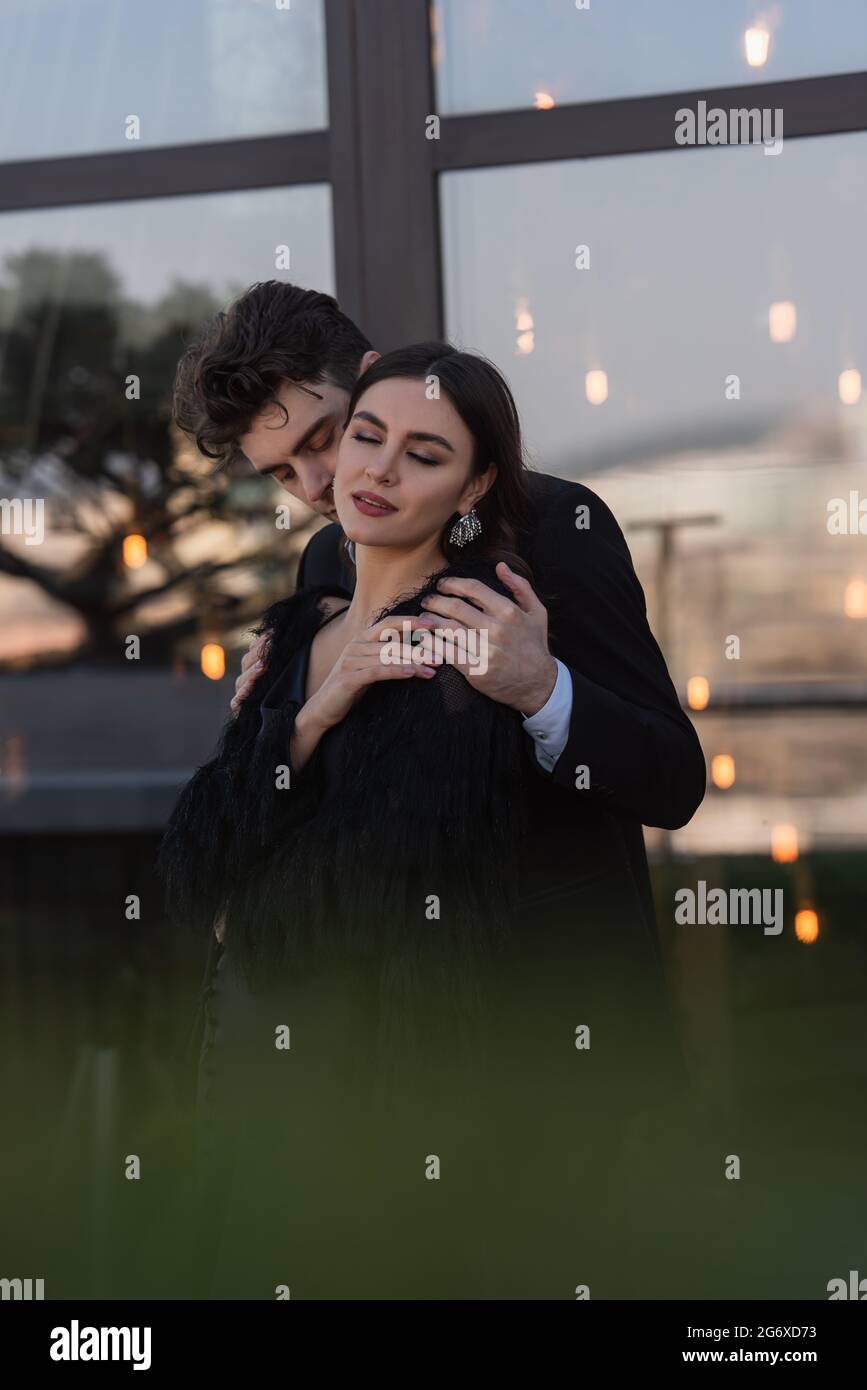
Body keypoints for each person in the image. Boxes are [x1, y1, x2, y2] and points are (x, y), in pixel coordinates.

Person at [160, 337, 706, 1299]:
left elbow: (670, 779)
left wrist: (543, 689)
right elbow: (264, 819)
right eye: (292, 469)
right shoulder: (327, 563)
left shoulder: (554, 530)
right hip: (334, 1047)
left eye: (330, 436)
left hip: (534, 1031)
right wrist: (296, 711)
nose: (331, 479)